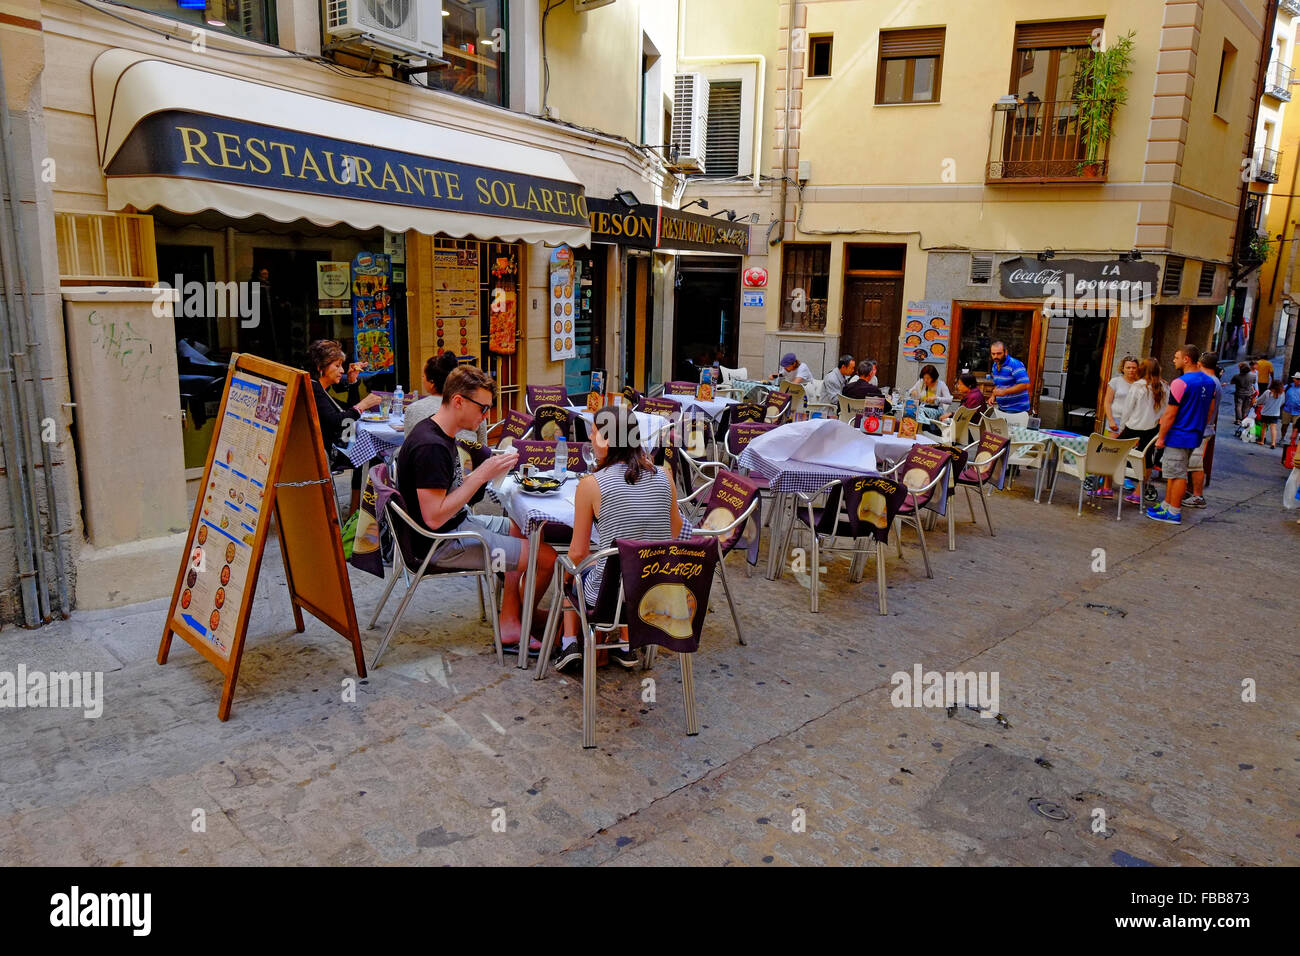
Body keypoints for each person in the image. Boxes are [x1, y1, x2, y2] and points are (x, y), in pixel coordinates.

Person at [395, 366, 556, 650]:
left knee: (523, 525)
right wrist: (482, 474)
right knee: (546, 558)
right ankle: (524, 617)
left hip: (458, 525)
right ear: (458, 401)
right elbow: (434, 518)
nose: (487, 417)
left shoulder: (436, 432)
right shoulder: (430, 446)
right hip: (442, 544)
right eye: (483, 409)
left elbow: (448, 491)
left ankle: (511, 619)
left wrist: (486, 471)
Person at [554, 404, 683, 673]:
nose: (590, 439)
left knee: (572, 567)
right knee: (630, 563)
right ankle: (626, 645)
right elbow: (675, 531)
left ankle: (569, 644)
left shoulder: (590, 485)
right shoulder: (664, 475)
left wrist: (567, 575)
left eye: (594, 434)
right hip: (655, 595)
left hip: (607, 601)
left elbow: (577, 553)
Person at [309, 339, 382, 515]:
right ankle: (364, 512)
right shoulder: (314, 391)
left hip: (337, 445)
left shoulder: (320, 389)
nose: (342, 370)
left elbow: (348, 412)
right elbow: (340, 421)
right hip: (330, 452)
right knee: (373, 457)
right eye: (337, 366)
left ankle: (356, 509)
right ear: (321, 367)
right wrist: (363, 405)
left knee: (367, 453)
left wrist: (352, 382)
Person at [1147, 344, 1217, 524]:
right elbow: (1210, 409)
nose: (1174, 360)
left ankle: (1174, 511)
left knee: (1177, 474)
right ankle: (1167, 504)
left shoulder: (1181, 382)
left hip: (1179, 434)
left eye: (1176, 357)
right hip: (1194, 433)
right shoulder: (1209, 381)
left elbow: (1170, 413)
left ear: (1186, 359)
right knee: (1175, 471)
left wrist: (1161, 437)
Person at [1118, 358, 1167, 505]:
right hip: (1152, 429)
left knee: (1113, 452)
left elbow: (1127, 410)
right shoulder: (1165, 386)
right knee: (1147, 460)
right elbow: (1165, 410)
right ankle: (1139, 492)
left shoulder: (1138, 386)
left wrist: (1122, 427)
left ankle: (1107, 486)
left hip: (1133, 427)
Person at [1183, 353, 1222, 509]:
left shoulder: (1209, 382)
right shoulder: (1214, 381)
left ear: (1199, 364)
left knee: (1196, 464)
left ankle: (1198, 495)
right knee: (1194, 463)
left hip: (1202, 429)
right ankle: (1192, 492)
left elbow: (1206, 408)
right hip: (1203, 427)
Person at [403, 351, 459, 432]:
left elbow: (409, 443)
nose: (422, 379)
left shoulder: (413, 409)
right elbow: (482, 444)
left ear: (432, 383)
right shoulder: (472, 409)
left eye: (423, 376)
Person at [989, 340, 1032, 426]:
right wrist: (993, 396)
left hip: (1017, 409)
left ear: (1006, 352)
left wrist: (1004, 392)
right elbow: (999, 385)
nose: (995, 356)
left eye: (998, 353)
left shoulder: (1015, 364)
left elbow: (1025, 384)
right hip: (1002, 408)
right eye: (993, 354)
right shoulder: (995, 365)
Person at [1258, 379, 1286, 448]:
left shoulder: (1268, 392)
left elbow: (1260, 400)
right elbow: (1283, 402)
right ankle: (1273, 443)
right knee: (1273, 428)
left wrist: (1257, 403)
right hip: (1275, 413)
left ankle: (1262, 441)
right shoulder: (1282, 393)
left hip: (1266, 412)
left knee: (1264, 427)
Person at [1283, 371, 1300, 443]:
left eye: (1296, 379)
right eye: (1296, 379)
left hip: (1298, 411)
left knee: (1295, 427)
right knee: (1284, 425)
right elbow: (1280, 392)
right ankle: (1282, 437)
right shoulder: (1288, 386)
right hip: (1287, 409)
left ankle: (1292, 441)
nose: (1294, 380)